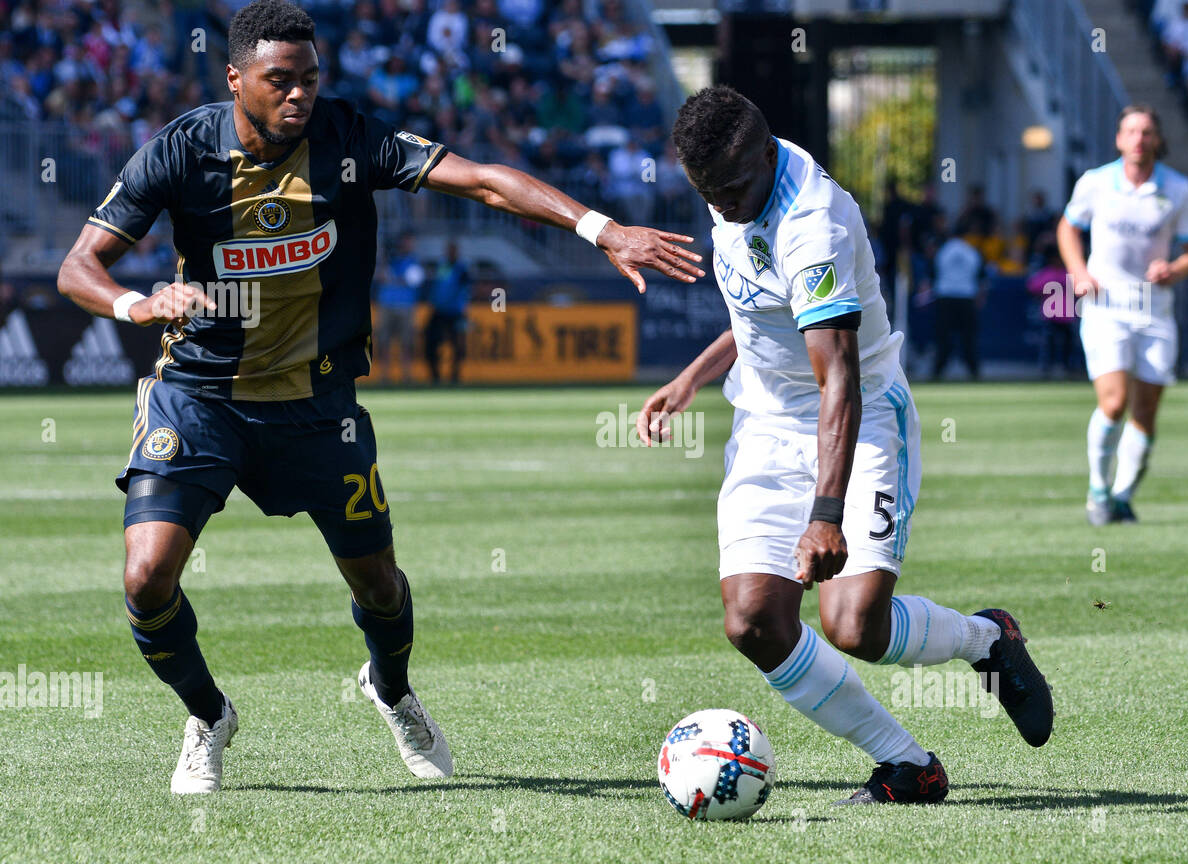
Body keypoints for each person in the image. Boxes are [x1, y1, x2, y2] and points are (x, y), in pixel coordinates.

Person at [55, 0, 704, 795]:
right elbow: (78, 266)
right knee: (145, 576)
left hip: (320, 407)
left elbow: (484, 182)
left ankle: (391, 690)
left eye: (310, 78)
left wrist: (600, 229)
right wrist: (136, 304)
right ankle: (207, 714)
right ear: (235, 80)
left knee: (380, 586)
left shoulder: (350, 138)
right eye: (279, 81)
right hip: (200, 397)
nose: (300, 95)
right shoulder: (180, 152)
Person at [637, 87, 1053, 807]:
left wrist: (825, 512)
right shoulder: (731, 182)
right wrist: (693, 377)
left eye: (736, 191)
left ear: (767, 156)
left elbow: (840, 381)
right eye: (712, 196)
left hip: (858, 421)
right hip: (766, 427)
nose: (727, 208)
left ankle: (986, 640)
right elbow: (759, 306)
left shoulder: (813, 225)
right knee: (754, 623)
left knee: (854, 623)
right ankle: (908, 766)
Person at [1057, 105, 1188, 525]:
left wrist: (1175, 269)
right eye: (1131, 131)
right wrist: (1079, 272)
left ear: (1157, 139)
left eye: (1147, 131)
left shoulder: (1178, 189)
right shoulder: (1096, 182)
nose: (1139, 138)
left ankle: (1122, 495)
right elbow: (1067, 228)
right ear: (1120, 139)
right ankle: (1097, 492)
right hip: (1106, 308)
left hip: (1155, 311)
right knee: (1114, 402)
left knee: (1146, 412)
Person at [930, 213, 984, 380]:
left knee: (943, 337)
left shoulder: (943, 251)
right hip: (966, 297)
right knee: (968, 337)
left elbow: (933, 274)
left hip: (945, 296)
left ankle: (938, 370)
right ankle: (973, 371)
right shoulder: (972, 252)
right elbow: (980, 276)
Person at [374, 232, 424, 383]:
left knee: (407, 343)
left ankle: (406, 375)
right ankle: (384, 376)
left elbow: (413, 279)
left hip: (405, 306)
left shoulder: (413, 261)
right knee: (383, 342)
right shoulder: (388, 260)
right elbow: (380, 277)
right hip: (387, 304)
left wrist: (392, 278)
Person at [1026, 242, 1076, 379]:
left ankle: (1067, 367)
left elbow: (1081, 286)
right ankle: (1046, 369)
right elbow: (1031, 287)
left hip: (1066, 315)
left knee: (1067, 343)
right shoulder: (1046, 273)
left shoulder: (1069, 272)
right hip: (1050, 315)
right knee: (1049, 344)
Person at [425, 240, 471, 384]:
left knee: (459, 346)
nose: (450, 253)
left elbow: (466, 290)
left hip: (456, 312)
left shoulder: (462, 268)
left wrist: (463, 307)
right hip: (440, 311)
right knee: (431, 344)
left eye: (453, 250)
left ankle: (455, 376)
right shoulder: (442, 266)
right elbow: (438, 286)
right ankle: (436, 377)